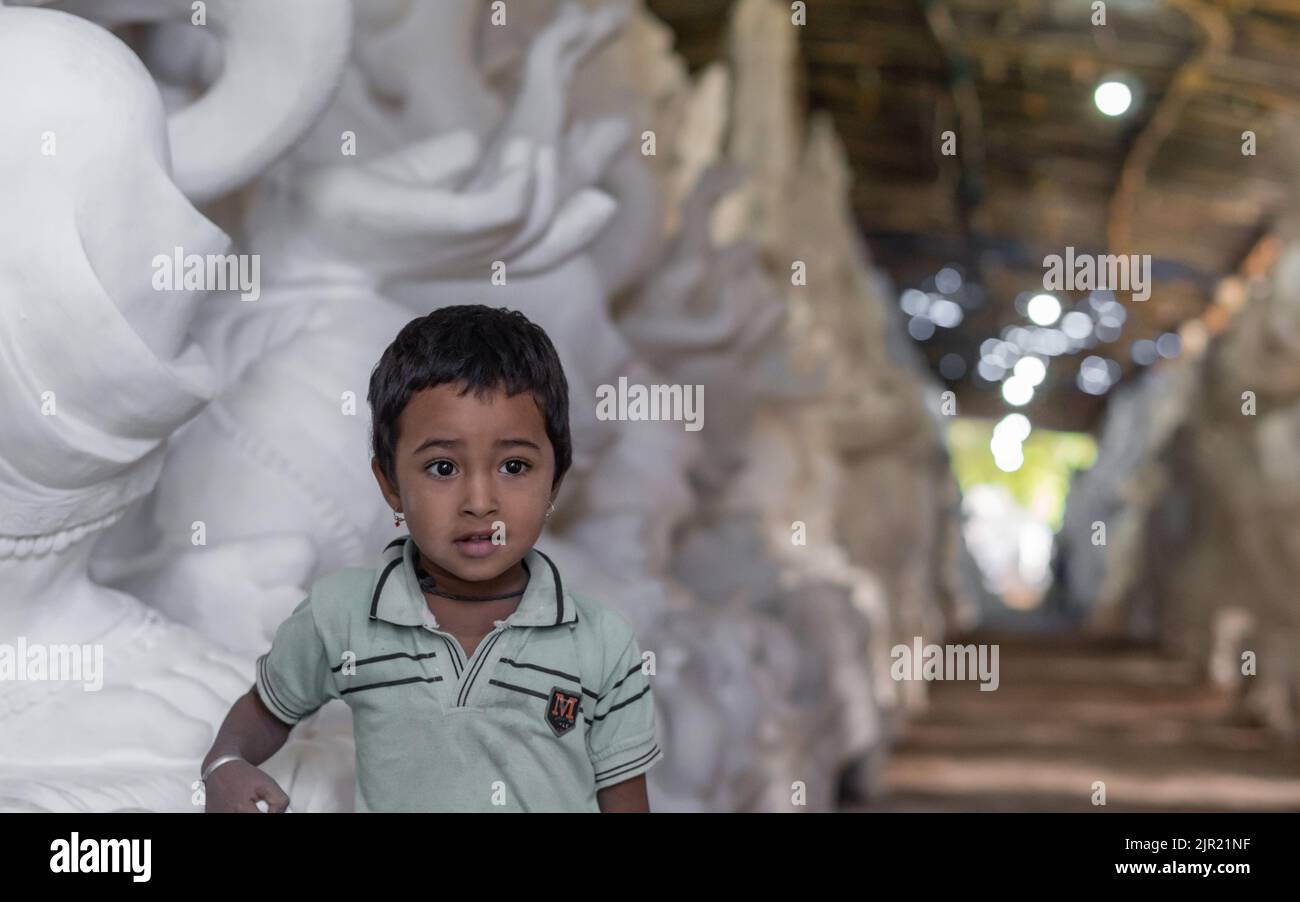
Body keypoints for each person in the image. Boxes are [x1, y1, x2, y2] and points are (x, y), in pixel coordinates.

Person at [200, 305, 663, 812]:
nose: (480, 501)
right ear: (391, 485)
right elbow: (269, 709)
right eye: (443, 467)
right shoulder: (342, 614)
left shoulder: (601, 644)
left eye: (515, 465)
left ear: (555, 480)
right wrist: (225, 764)